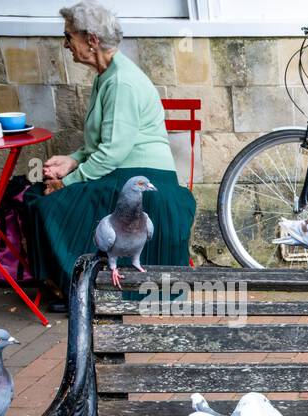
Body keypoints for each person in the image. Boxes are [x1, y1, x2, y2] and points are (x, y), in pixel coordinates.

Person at [23, 1, 194, 310]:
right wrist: (72, 160)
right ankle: (71, 285)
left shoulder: (121, 81)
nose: (65, 44)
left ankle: (76, 287)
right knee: (37, 192)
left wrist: (69, 180)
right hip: (123, 169)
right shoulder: (108, 76)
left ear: (91, 40)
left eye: (69, 36)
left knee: (50, 204)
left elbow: (113, 153)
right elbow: (103, 143)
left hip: (142, 176)